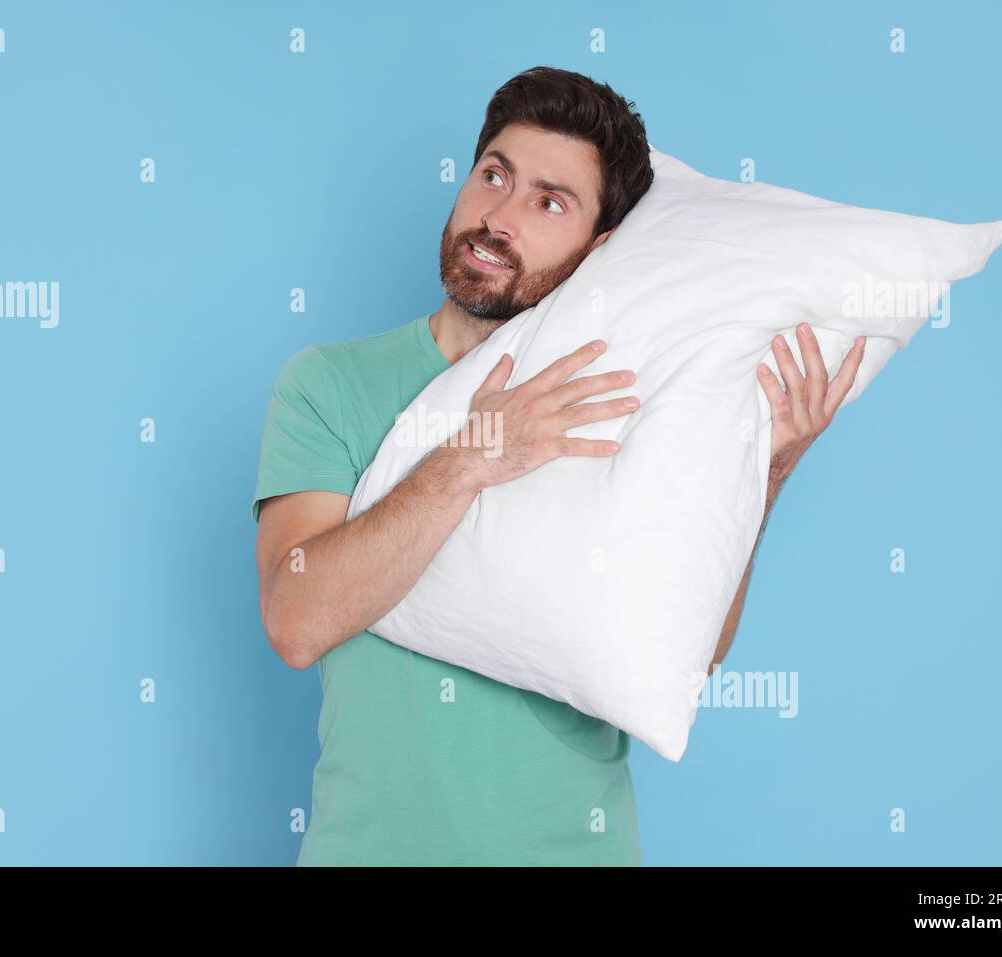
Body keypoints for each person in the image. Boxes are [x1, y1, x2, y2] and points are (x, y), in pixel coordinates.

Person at [251, 65, 864, 866]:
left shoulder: (630, 402)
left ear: (600, 249)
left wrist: (765, 475)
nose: (498, 217)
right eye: (493, 176)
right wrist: (470, 459)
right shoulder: (330, 383)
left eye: (549, 202)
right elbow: (295, 620)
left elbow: (688, 654)